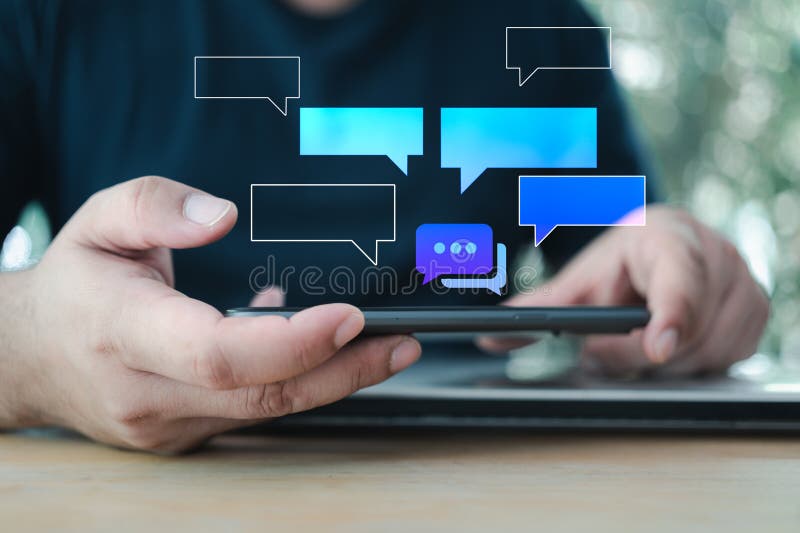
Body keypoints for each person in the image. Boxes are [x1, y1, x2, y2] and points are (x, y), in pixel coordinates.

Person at [0, 0, 768, 452]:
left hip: (466, 478)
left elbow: (622, 257)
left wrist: (681, 274)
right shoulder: (46, 16)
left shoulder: (537, 25)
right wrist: (31, 349)